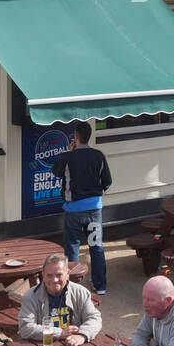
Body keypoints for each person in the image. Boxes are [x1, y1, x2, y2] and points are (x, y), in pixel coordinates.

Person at [51, 121, 112, 294]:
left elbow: (55, 171)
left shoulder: (68, 157)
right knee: (96, 246)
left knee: (72, 248)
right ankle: (100, 286)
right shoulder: (99, 156)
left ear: (75, 138)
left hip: (73, 211)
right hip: (94, 211)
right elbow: (107, 181)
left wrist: (69, 152)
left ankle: (73, 286)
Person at [17, 252, 102, 346]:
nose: (54, 280)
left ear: (68, 274)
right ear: (43, 275)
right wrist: (60, 333)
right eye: (49, 275)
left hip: (73, 345)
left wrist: (82, 335)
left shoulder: (80, 292)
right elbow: (25, 328)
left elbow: (95, 318)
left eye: (59, 275)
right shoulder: (31, 296)